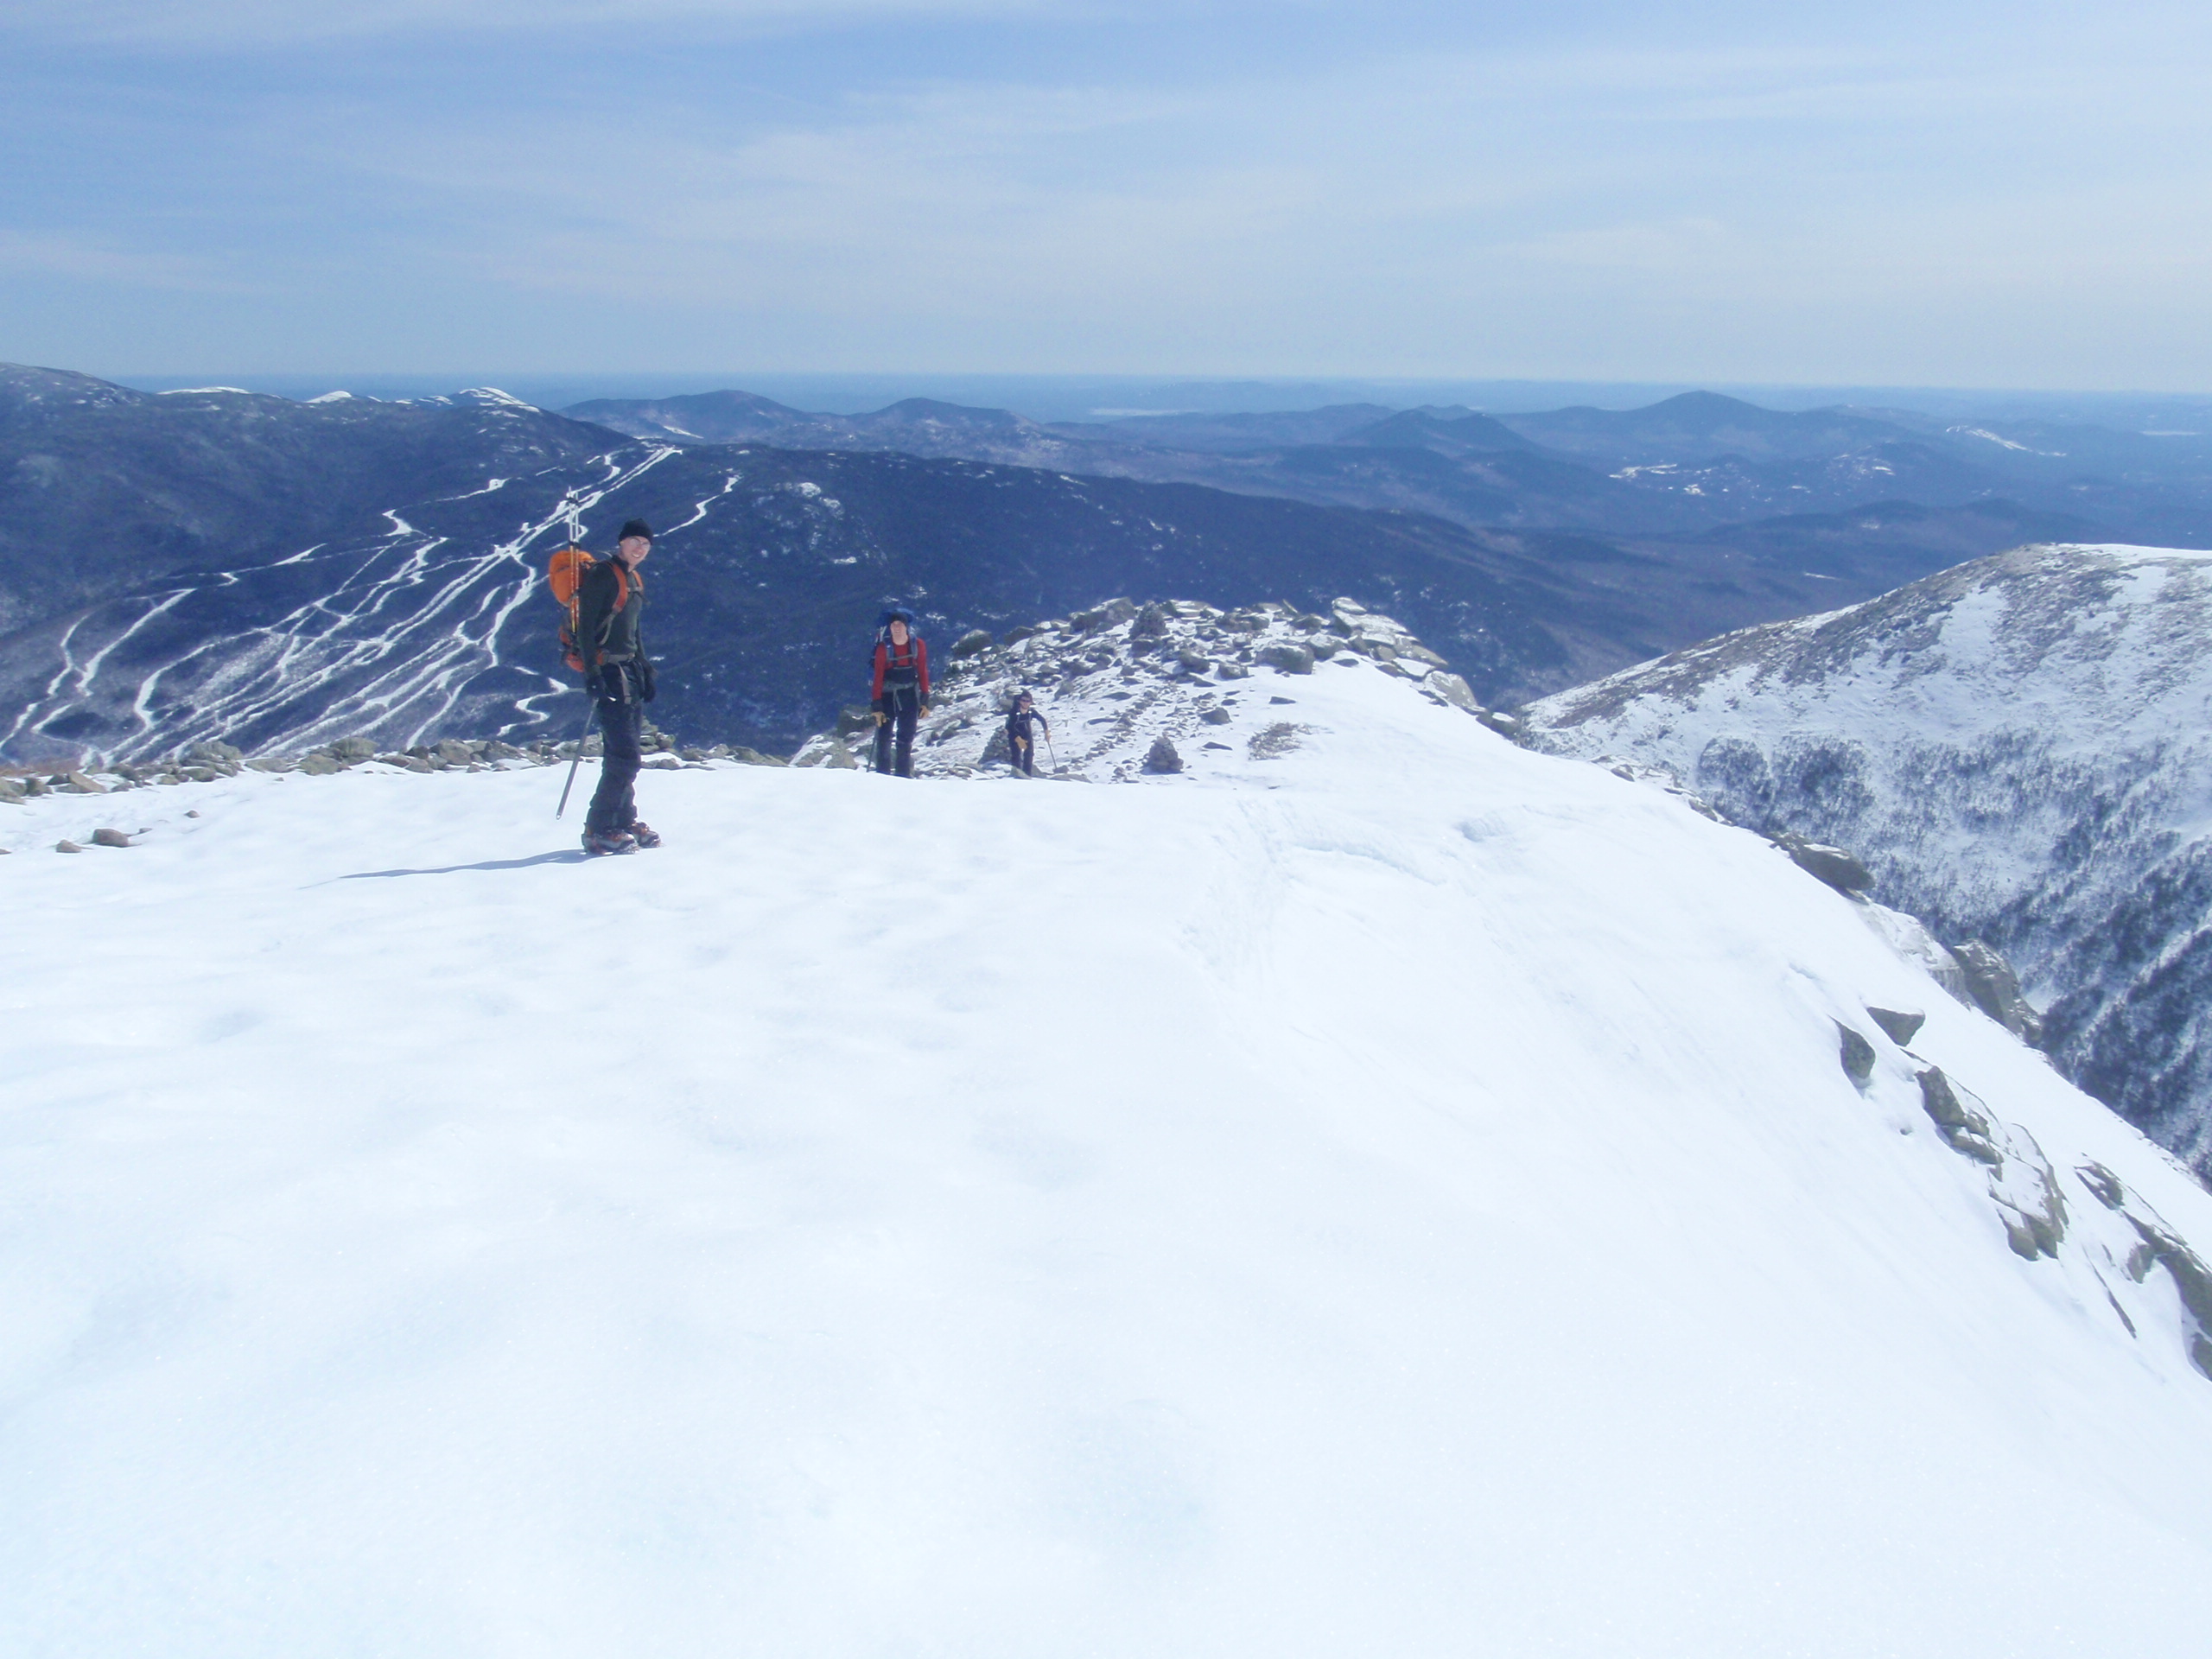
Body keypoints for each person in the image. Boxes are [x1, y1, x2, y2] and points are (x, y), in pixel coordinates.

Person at [575, 518, 660, 854]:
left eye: (646, 544)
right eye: (635, 541)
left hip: (629, 672)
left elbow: (632, 629)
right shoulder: (603, 576)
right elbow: (584, 630)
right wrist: (592, 675)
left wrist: (646, 668)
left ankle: (624, 820)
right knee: (624, 755)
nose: (640, 548)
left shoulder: (633, 579)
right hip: (609, 672)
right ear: (621, 542)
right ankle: (599, 826)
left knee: (624, 753)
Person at [870, 609, 931, 777]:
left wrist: (925, 699)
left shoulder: (917, 645)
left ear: (906, 626)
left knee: (906, 737)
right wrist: (877, 704)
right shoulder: (883, 648)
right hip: (888, 695)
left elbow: (923, 671)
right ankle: (882, 774)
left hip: (909, 694)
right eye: (893, 624)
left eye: (899, 624)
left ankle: (902, 775)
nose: (896, 628)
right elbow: (878, 676)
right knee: (884, 737)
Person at [1004, 690, 1050, 776]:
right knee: (1016, 755)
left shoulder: (1031, 712)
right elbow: (1010, 726)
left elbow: (1042, 720)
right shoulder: (1014, 711)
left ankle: (1027, 775)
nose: (1025, 703)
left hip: (1026, 734)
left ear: (1031, 702)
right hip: (1014, 735)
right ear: (1019, 701)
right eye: (1023, 700)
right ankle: (1016, 774)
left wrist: (1046, 732)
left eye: (1027, 701)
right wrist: (1018, 739)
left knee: (1029, 755)